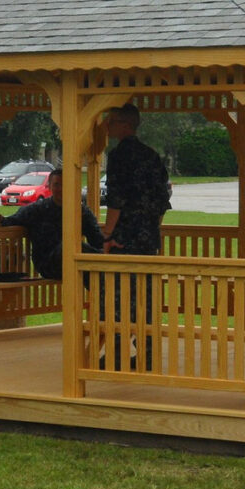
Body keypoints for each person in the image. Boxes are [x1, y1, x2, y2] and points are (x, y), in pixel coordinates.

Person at [101, 103, 171, 369]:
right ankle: (147, 354)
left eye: (112, 121)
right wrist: (151, 227)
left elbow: (116, 200)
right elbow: (163, 200)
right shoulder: (152, 156)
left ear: (125, 125)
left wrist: (108, 234)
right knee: (147, 296)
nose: (107, 125)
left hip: (124, 239)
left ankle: (118, 354)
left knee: (120, 296)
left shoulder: (119, 156)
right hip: (148, 239)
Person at [0, 168, 103, 280]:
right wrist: (0, 221)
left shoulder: (81, 212)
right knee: (70, 247)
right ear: (49, 187)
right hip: (47, 265)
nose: (61, 189)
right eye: (56, 185)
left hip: (74, 264)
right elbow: (11, 221)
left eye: (65, 184)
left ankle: (108, 293)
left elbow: (98, 240)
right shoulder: (37, 209)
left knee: (92, 267)